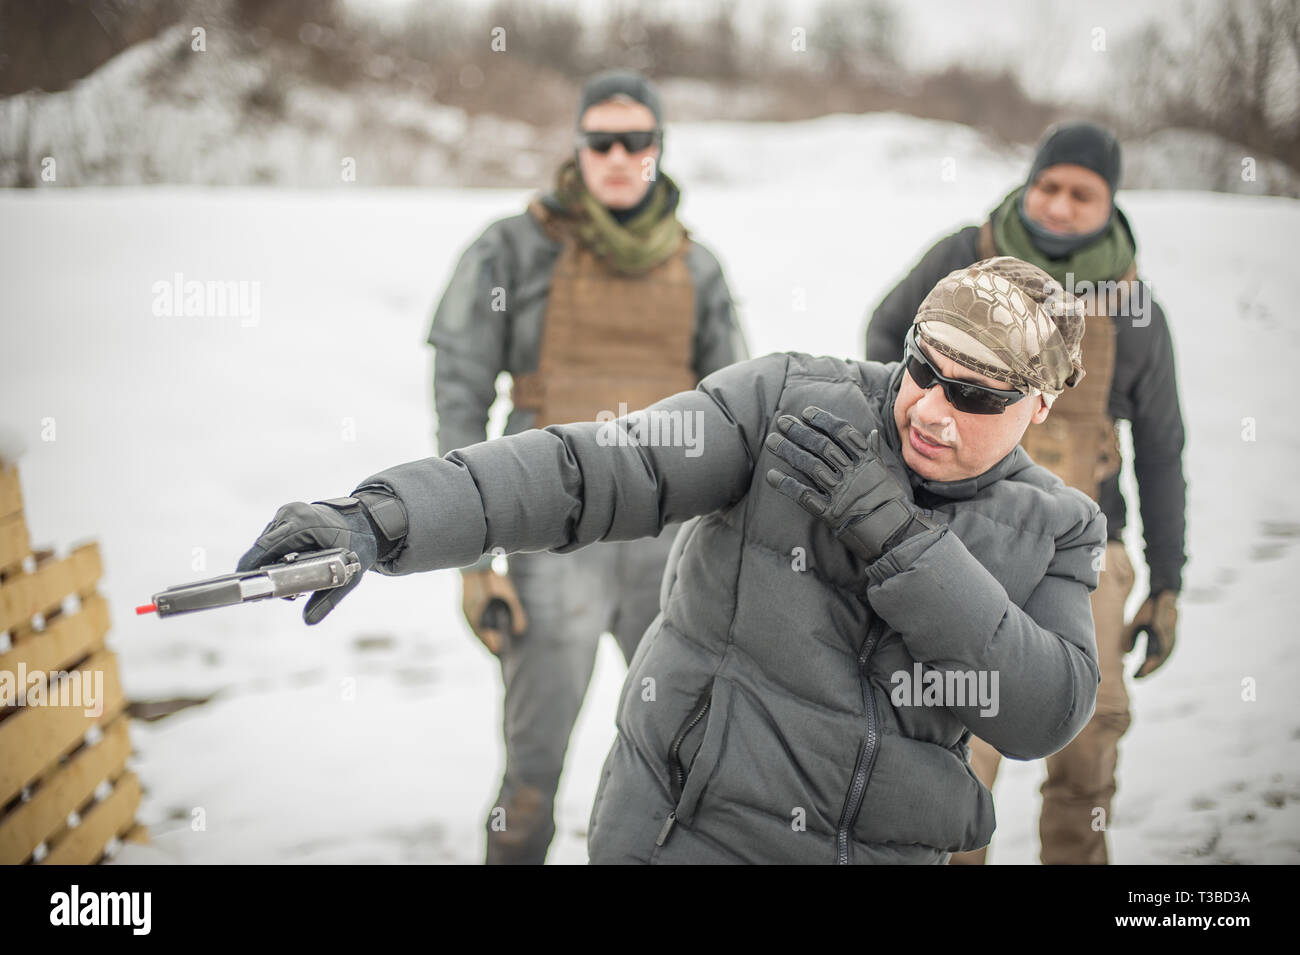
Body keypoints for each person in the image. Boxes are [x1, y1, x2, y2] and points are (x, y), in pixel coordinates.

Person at [236, 255, 1107, 865]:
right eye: (923, 365)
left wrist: (898, 538)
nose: (930, 408)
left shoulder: (1058, 528)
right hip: (682, 836)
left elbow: (1043, 710)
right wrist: (381, 520)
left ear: (1037, 405)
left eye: (974, 394)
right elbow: (598, 469)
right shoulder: (789, 402)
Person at [423, 69, 748, 863]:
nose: (617, 154)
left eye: (636, 139)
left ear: (659, 150)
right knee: (533, 769)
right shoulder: (514, 246)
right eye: (600, 139)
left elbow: (739, 419)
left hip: (666, 546)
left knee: (686, 758)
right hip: (548, 541)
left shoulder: (697, 266)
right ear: (578, 147)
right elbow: (460, 394)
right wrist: (472, 559)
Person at [864, 121, 1187, 864]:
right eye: (1048, 185)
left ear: (1110, 202)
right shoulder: (962, 259)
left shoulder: (1135, 312)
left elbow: (1161, 450)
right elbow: (887, 336)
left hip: (1089, 548)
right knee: (957, 738)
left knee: (1090, 733)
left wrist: (1167, 580)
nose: (1060, 205)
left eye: (1082, 192)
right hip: (962, 533)